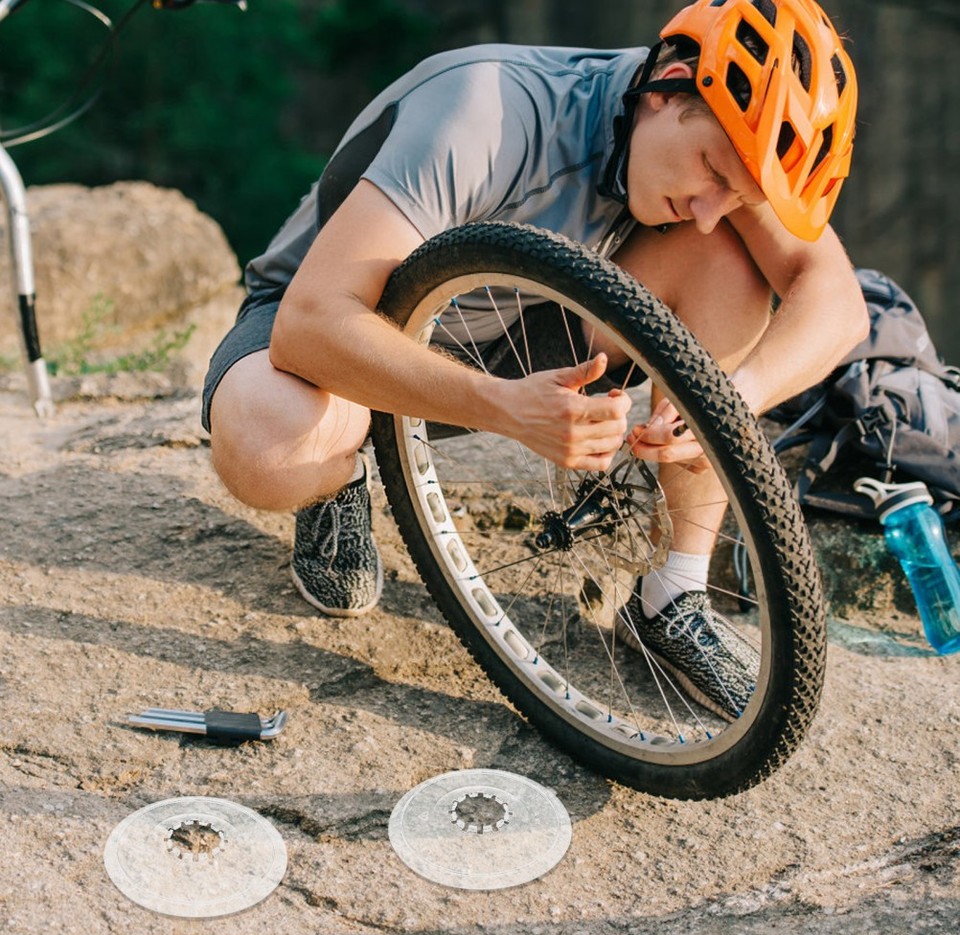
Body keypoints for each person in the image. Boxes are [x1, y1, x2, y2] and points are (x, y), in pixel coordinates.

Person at [201, 0, 868, 719]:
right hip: (340, 333)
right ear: (671, 85)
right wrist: (507, 411)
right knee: (269, 444)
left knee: (729, 259)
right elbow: (310, 324)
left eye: (733, 192)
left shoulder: (711, 147)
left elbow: (837, 302)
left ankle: (674, 594)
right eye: (710, 171)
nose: (707, 206)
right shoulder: (487, 111)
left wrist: (728, 397)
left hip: (516, 329)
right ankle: (340, 481)